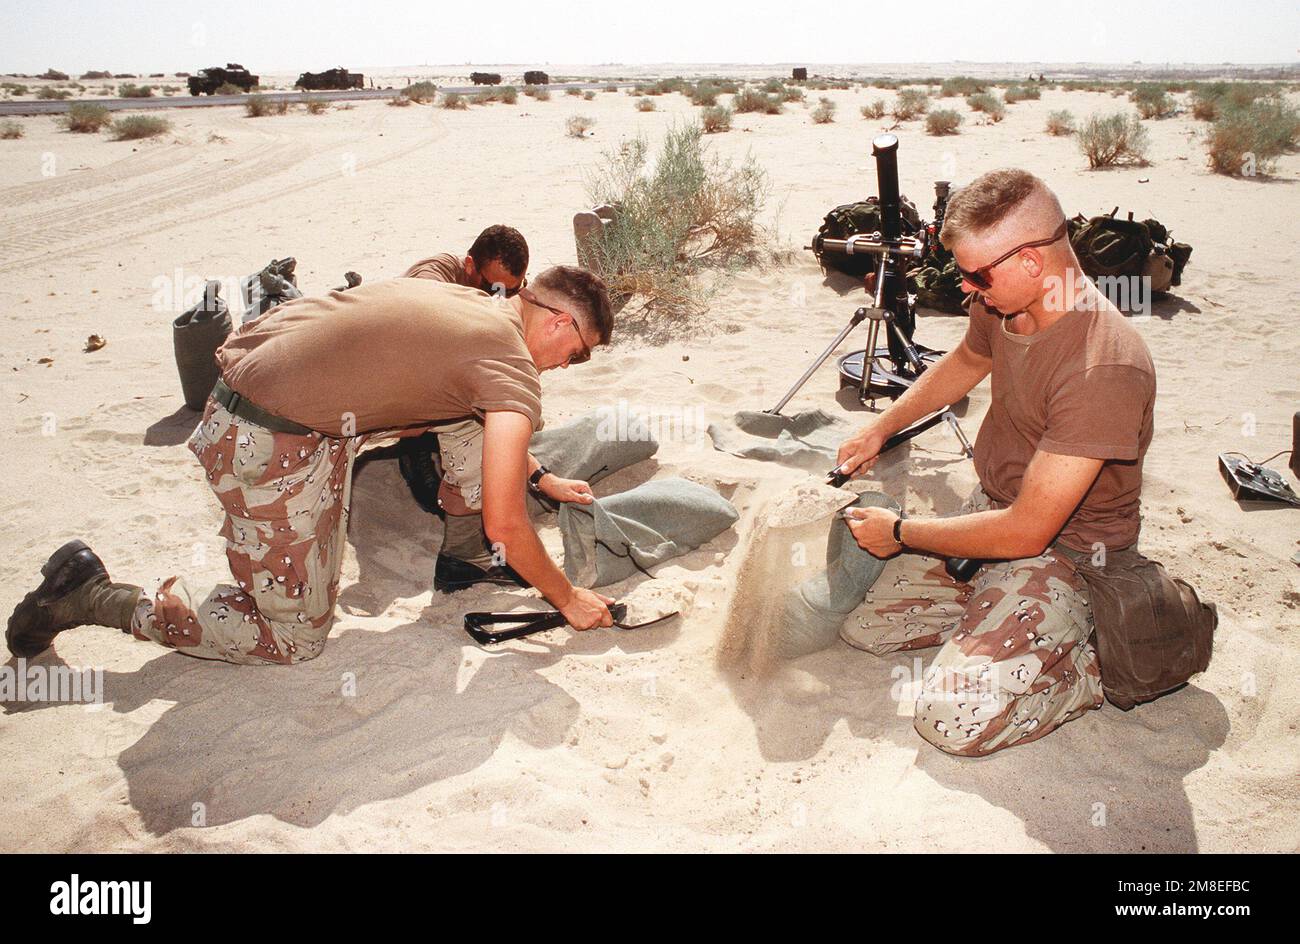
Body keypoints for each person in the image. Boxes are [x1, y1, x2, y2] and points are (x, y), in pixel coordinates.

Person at [7, 267, 616, 666]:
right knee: (293, 638)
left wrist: (537, 478)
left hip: (265, 401)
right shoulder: (508, 362)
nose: (570, 364)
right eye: (578, 353)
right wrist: (567, 599)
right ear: (560, 321)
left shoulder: (468, 301)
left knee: (463, 423)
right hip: (264, 445)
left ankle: (457, 554)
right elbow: (507, 525)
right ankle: (91, 596)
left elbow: (479, 418)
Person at [834, 168, 1156, 757]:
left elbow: (1031, 529)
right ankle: (997, 618)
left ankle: (1090, 658)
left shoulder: (1104, 367)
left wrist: (902, 534)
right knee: (866, 630)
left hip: (1068, 552)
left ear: (1032, 262)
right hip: (993, 518)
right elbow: (963, 362)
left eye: (976, 274)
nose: (966, 288)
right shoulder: (1005, 301)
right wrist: (883, 427)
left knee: (952, 720)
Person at [402, 223, 529, 297]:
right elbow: (423, 297)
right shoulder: (439, 269)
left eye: (511, 291)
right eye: (494, 289)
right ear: (470, 266)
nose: (500, 298)